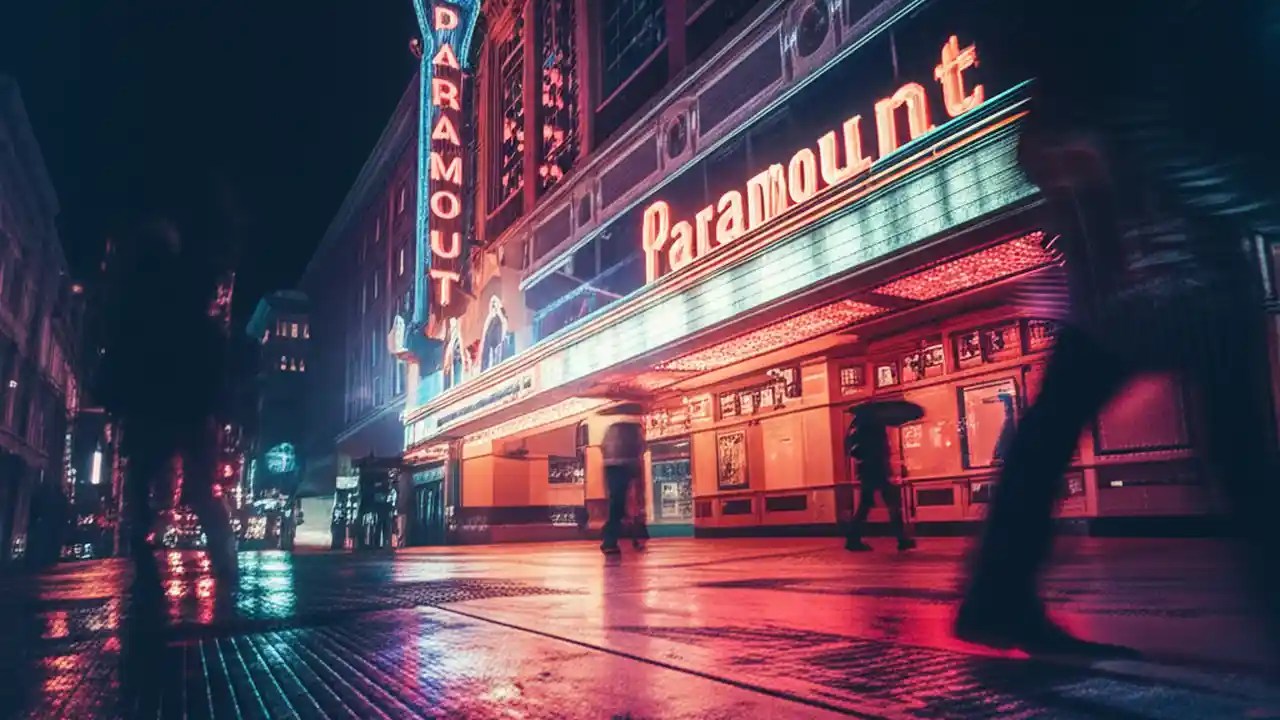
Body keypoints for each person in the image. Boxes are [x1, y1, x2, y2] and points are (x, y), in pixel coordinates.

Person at [957, 0, 1280, 656]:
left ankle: (996, 591)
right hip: (1181, 235)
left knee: (1057, 421)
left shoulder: (1084, 55)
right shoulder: (1180, 41)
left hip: (1115, 237)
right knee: (1242, 445)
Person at [844, 407, 914, 552]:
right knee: (890, 503)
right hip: (876, 470)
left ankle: (853, 538)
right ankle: (901, 539)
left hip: (869, 471)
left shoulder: (859, 429)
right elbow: (880, 450)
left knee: (867, 505)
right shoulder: (873, 429)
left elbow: (853, 448)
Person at [600, 411, 646, 555]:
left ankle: (610, 539)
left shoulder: (611, 428)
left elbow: (603, 448)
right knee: (622, 505)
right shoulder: (634, 429)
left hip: (611, 467)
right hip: (627, 467)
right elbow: (641, 447)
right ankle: (610, 540)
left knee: (616, 503)